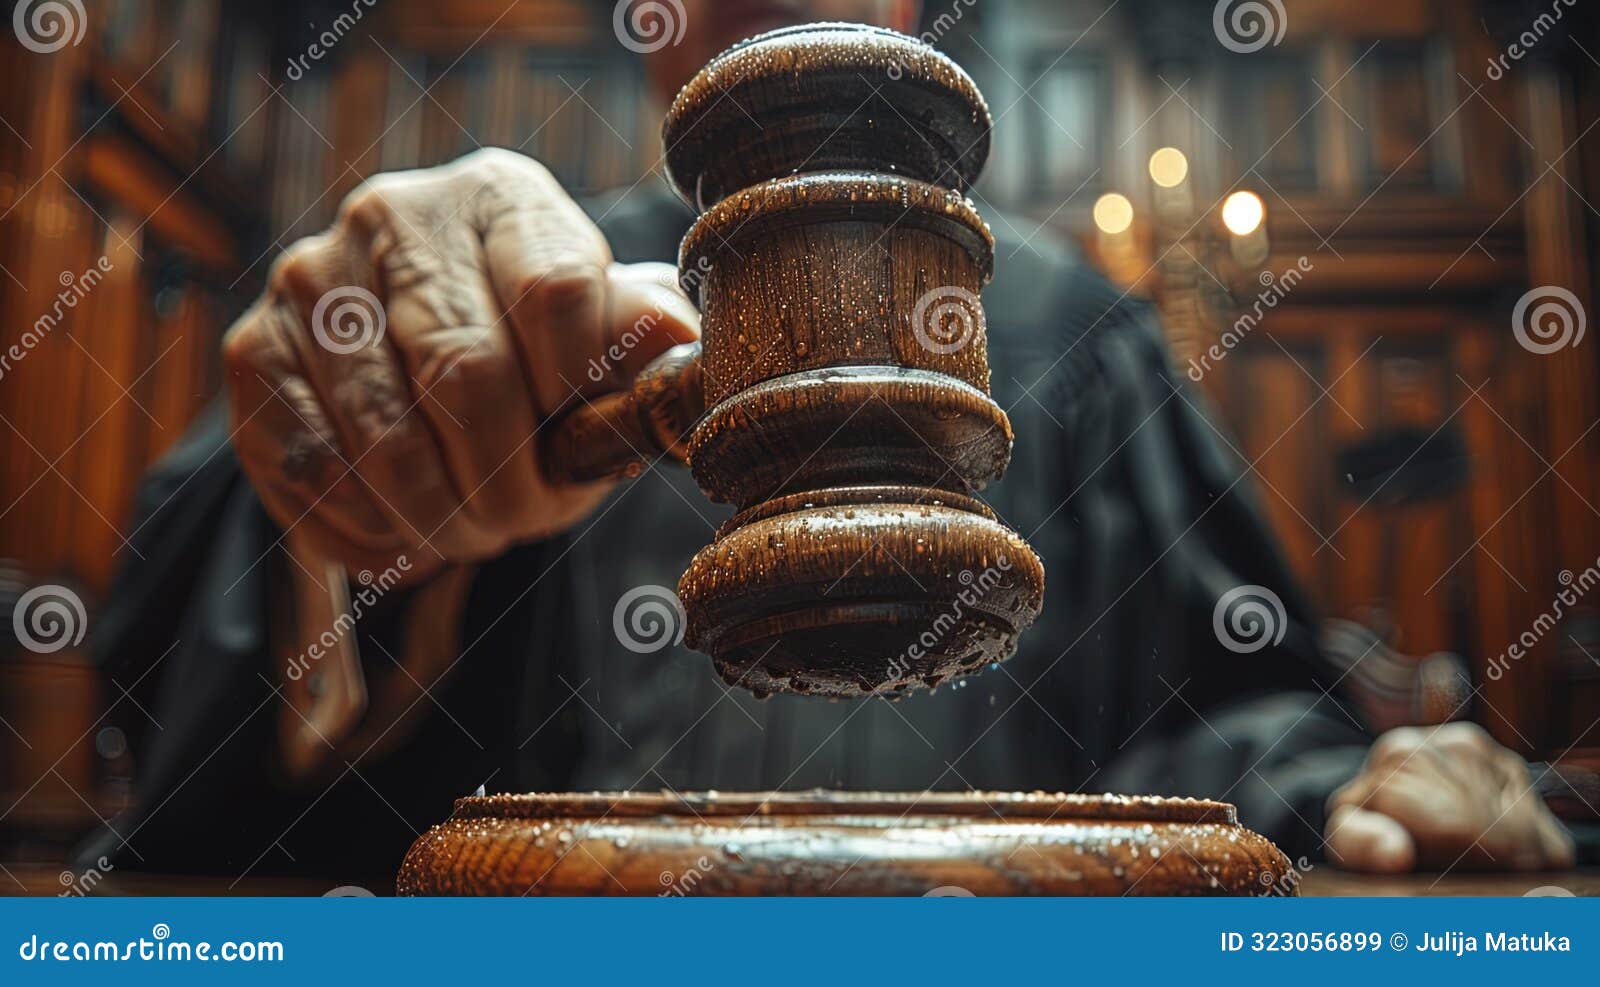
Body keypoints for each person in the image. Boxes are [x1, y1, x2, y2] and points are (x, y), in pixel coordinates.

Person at [79, 0, 1574, 883]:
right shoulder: (506, 298)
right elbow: (186, 730)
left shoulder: (1067, 328)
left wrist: (1348, 794)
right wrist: (344, 509)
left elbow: (1207, 704)